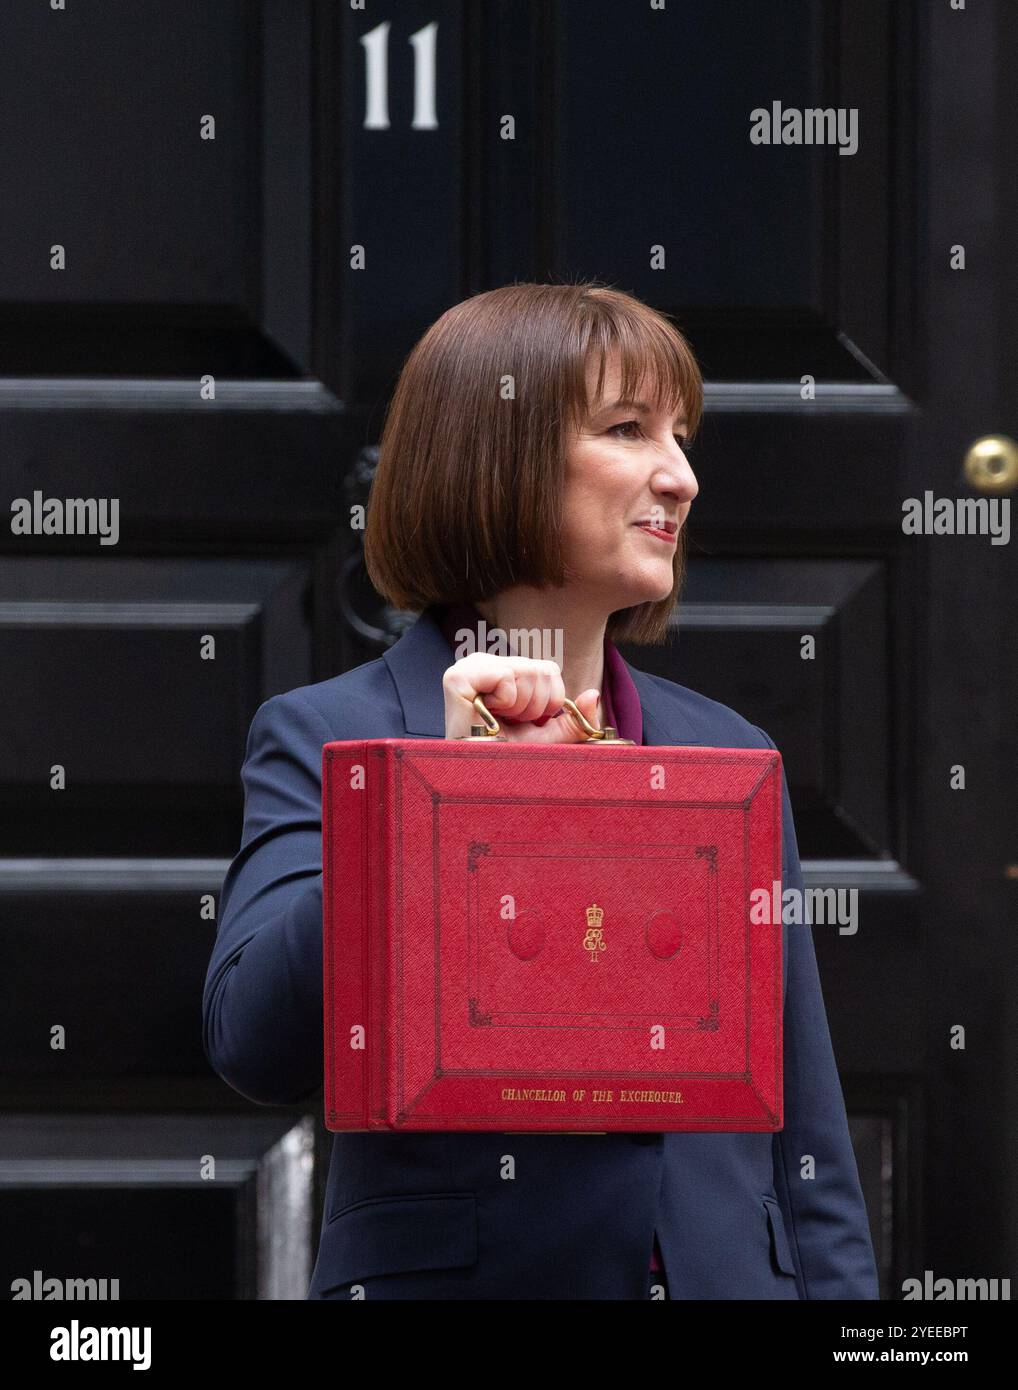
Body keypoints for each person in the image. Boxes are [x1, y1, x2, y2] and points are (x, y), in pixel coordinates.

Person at [202, 280, 879, 1300]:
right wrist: (436, 796)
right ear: (494, 455)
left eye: (682, 435)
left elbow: (805, 1124)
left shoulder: (727, 751)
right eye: (628, 428)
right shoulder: (332, 734)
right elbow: (253, 1041)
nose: (681, 476)